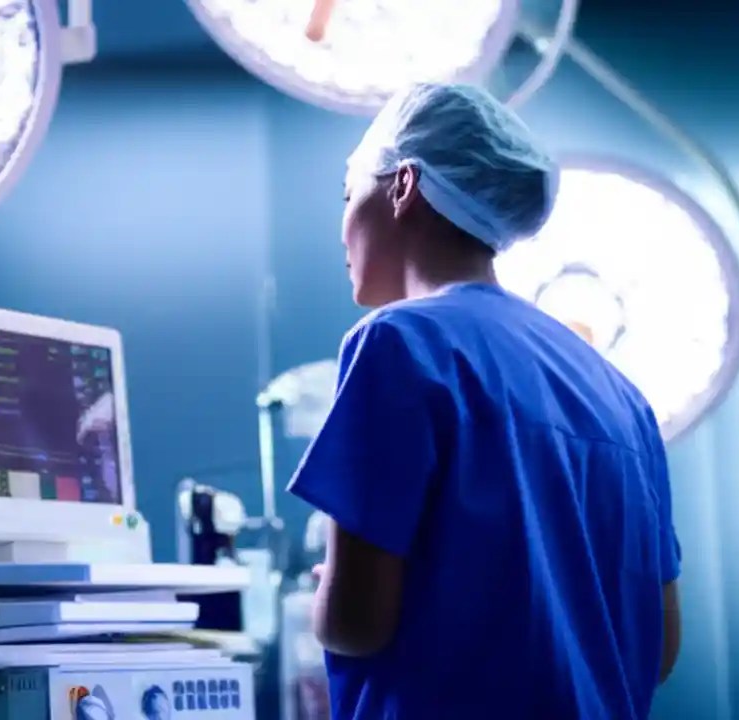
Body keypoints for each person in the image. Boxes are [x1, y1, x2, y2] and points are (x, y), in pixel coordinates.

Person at [287, 83, 682, 719]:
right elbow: (660, 647)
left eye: (348, 193)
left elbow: (355, 623)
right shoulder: (621, 394)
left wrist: (326, 594)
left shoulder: (398, 344)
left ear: (403, 186)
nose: (341, 227)